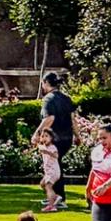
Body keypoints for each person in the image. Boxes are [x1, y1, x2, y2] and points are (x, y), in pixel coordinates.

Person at [33, 71, 75, 212]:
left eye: (42, 83)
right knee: (57, 166)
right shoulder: (66, 98)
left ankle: (57, 198)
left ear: (46, 83)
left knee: (53, 168)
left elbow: (49, 119)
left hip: (55, 138)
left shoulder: (48, 99)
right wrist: (77, 135)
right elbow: (72, 119)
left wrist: (37, 134)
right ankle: (55, 196)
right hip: (67, 138)